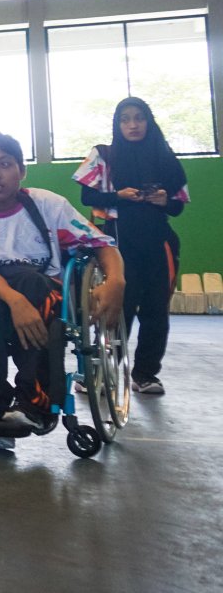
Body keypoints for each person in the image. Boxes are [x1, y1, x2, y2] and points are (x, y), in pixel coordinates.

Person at [0, 132, 124, 450]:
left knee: (31, 283)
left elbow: (100, 243)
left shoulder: (49, 206)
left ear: (22, 171)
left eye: (4, 164)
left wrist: (116, 282)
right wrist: (15, 302)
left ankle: (35, 404)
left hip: (42, 289)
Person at [73, 97, 188, 395]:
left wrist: (165, 200)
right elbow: (87, 198)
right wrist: (119, 196)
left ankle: (146, 374)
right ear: (117, 123)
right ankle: (101, 371)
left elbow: (178, 207)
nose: (133, 125)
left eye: (139, 118)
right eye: (125, 119)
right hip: (117, 244)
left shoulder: (165, 156)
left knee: (155, 311)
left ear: (149, 121)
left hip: (158, 243)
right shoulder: (103, 155)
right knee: (116, 308)